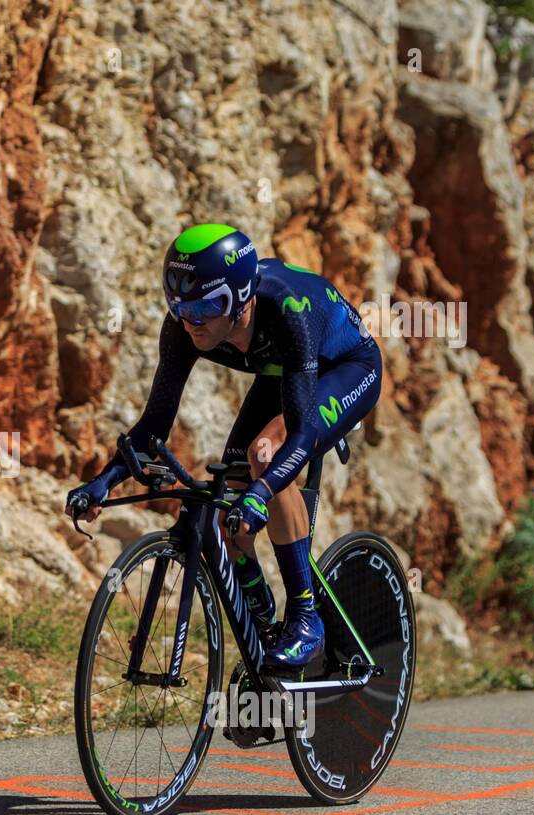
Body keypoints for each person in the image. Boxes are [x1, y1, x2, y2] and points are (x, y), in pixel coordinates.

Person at [66, 224, 383, 673]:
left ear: (241, 297)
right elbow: (155, 424)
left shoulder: (288, 310)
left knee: (264, 458)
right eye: (179, 307)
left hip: (345, 368)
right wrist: (104, 481)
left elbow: (300, 435)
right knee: (225, 515)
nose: (193, 322)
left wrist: (262, 491)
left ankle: (305, 619)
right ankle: (266, 632)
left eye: (206, 307)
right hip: (281, 371)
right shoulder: (185, 327)